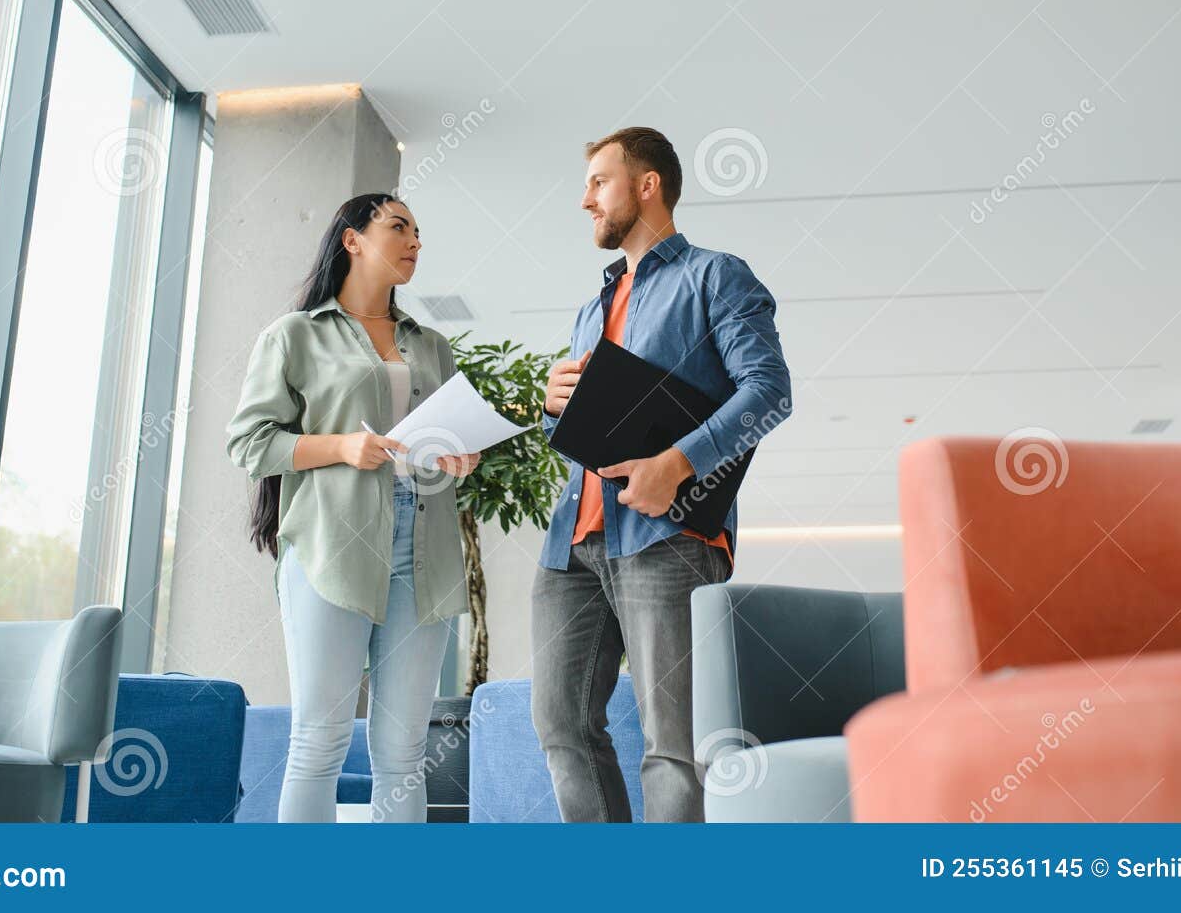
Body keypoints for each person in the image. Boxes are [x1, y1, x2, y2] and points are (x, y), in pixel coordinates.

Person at [532, 126, 792, 822]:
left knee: (673, 747)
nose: (585, 199)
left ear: (647, 185)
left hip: (665, 539)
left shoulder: (716, 276)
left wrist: (678, 464)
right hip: (572, 545)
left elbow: (770, 391)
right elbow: (590, 436)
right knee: (561, 727)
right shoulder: (591, 310)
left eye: (598, 181)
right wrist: (555, 402)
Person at [226, 192, 480, 822]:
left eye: (420, 232)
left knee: (404, 751)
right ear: (352, 240)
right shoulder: (295, 335)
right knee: (319, 740)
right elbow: (250, 443)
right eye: (400, 227)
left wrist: (460, 455)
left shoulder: (431, 346)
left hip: (424, 550)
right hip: (330, 547)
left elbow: (446, 436)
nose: (415, 241)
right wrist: (342, 446)